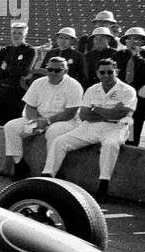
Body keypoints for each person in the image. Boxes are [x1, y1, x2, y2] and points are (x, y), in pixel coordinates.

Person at [42, 57, 136, 203]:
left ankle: (103, 186)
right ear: (97, 73)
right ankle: (47, 177)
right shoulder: (93, 89)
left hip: (116, 127)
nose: (106, 75)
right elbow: (84, 114)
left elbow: (122, 114)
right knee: (60, 141)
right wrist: (108, 112)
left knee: (110, 145)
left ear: (116, 71)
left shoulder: (127, 90)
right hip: (90, 126)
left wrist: (96, 109)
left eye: (110, 72)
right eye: (102, 72)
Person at [2, 56, 84, 179]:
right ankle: (19, 164)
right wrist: (35, 121)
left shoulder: (74, 85)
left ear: (65, 71)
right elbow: (30, 106)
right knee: (11, 127)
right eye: (49, 69)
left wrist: (46, 122)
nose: (52, 73)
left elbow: (70, 113)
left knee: (53, 132)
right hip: (39, 119)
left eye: (57, 70)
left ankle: (48, 173)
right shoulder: (38, 83)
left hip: (65, 122)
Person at [115, 27, 145, 146]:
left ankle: (131, 154)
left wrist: (137, 56)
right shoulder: (118, 55)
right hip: (121, 96)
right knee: (117, 127)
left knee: (134, 129)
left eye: (137, 39)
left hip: (138, 96)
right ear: (125, 41)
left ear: (143, 42)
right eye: (130, 39)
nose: (133, 42)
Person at [0, 20, 37, 124]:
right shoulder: (4, 50)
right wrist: (14, 69)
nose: (16, 35)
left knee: (13, 121)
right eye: (14, 33)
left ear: (25, 35)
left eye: (19, 33)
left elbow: (25, 71)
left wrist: (6, 68)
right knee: (0, 121)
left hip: (18, 91)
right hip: (3, 89)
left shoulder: (30, 51)